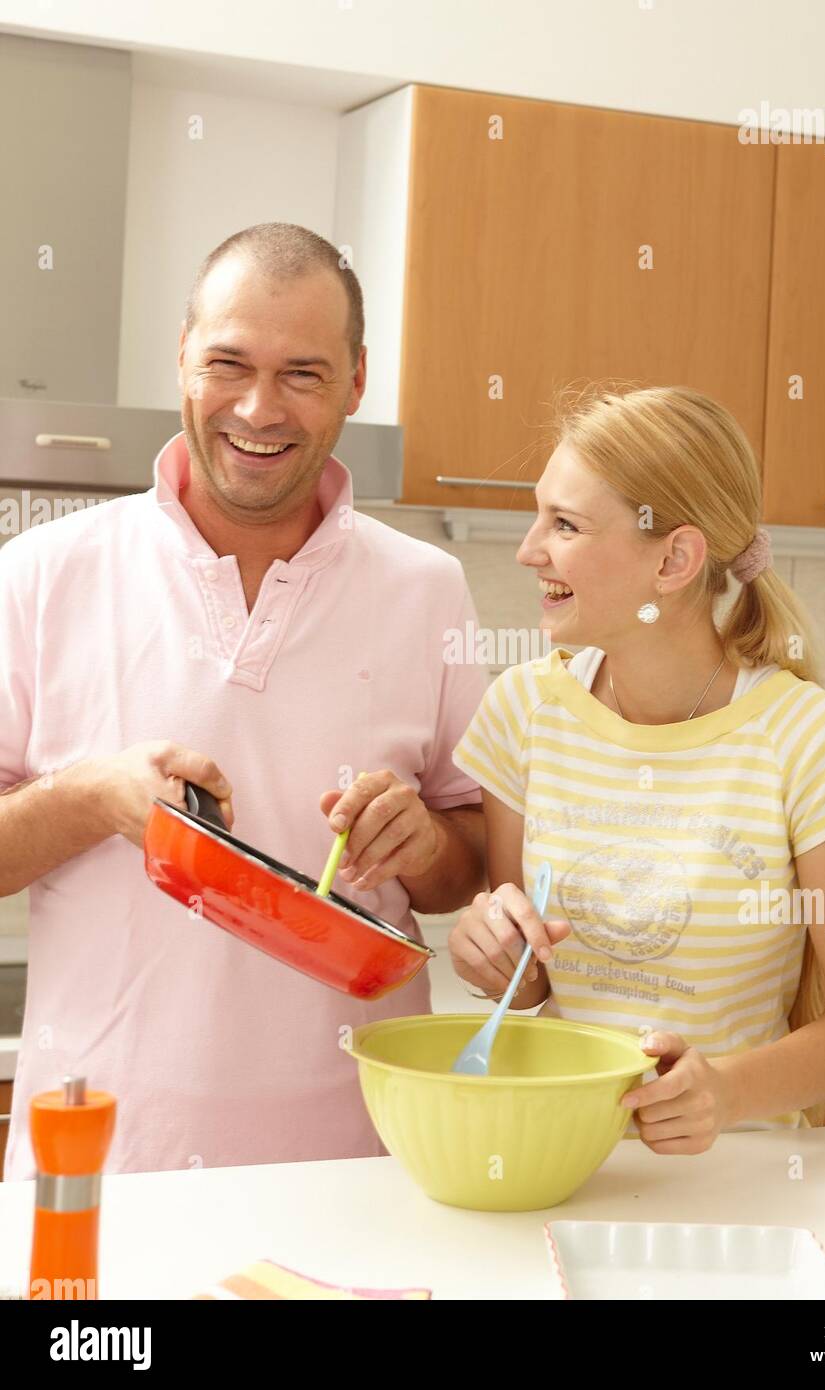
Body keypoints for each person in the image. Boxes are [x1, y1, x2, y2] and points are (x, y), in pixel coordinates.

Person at [0, 222, 487, 1178]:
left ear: (354, 382)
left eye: (303, 373)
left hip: (364, 1161)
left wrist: (427, 847)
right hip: (104, 1155)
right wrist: (93, 797)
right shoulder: (38, 575)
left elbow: (472, 873)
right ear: (182, 355)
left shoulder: (428, 589)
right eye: (229, 363)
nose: (259, 409)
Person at [449, 383, 825, 1151]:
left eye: (564, 524)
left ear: (675, 559)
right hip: (560, 1154)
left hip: (740, 1173)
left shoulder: (811, 742)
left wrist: (722, 1091)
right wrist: (489, 952)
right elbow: (531, 978)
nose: (529, 549)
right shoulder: (523, 710)